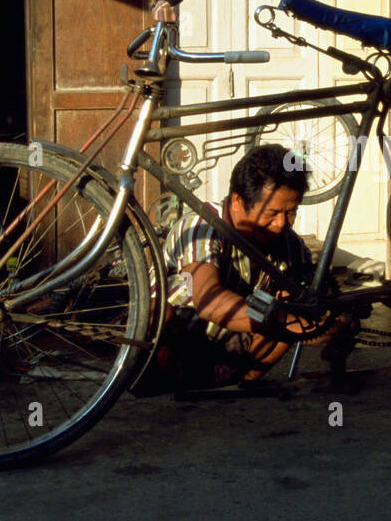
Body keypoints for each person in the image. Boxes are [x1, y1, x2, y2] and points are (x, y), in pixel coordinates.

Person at [148, 143, 346, 391]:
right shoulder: (201, 226)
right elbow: (210, 303)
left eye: (291, 212)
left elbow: (312, 298)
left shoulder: (288, 244)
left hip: (230, 349)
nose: (281, 223)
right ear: (238, 201)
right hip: (169, 346)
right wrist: (283, 320)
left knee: (289, 303)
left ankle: (243, 389)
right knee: (157, 314)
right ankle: (160, 395)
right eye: (272, 212)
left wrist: (333, 318)